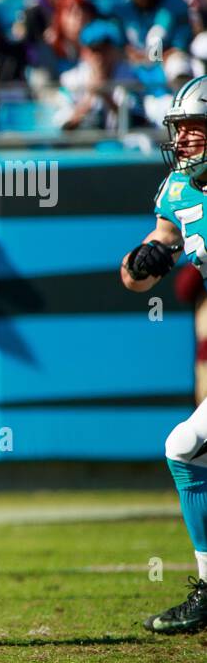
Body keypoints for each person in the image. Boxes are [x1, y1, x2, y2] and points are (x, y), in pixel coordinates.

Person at [117, 74, 207, 634]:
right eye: (180, 132)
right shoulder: (178, 189)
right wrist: (143, 260)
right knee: (185, 446)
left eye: (194, 131)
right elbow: (136, 275)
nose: (183, 143)